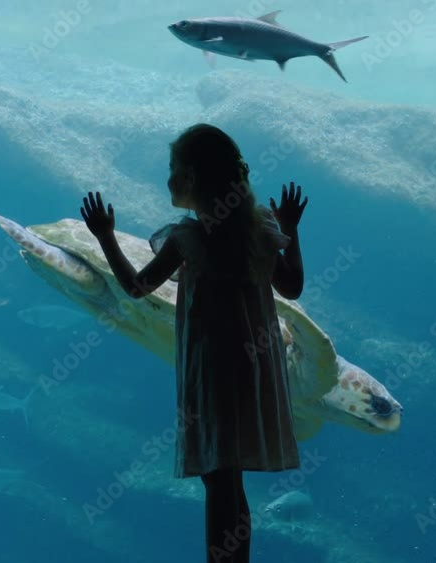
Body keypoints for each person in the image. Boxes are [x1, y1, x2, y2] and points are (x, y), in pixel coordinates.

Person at [79, 123, 308, 563]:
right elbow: (293, 286)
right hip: (255, 366)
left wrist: (105, 235)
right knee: (229, 477)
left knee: (217, 478)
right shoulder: (259, 227)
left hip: (211, 369)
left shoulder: (188, 237)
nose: (167, 177)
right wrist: (292, 230)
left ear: (191, 180)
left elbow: (136, 286)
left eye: (172, 168)